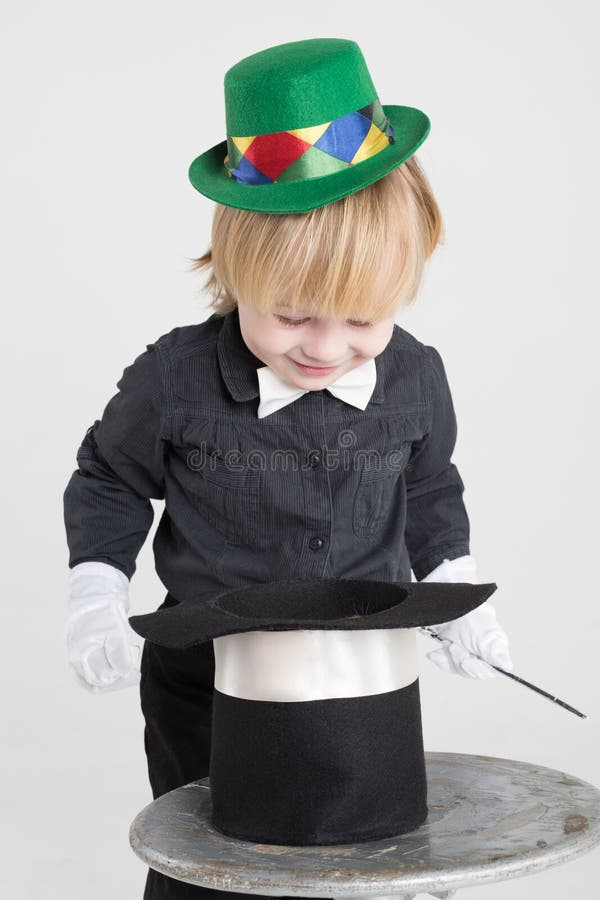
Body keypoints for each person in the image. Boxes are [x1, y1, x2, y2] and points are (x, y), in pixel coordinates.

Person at [62, 37, 513, 900]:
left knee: (372, 859)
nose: (329, 349)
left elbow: (428, 483)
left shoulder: (418, 375)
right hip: (209, 683)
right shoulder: (173, 377)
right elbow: (109, 477)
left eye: (364, 322)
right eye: (296, 317)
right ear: (236, 274)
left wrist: (453, 574)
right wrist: (95, 591)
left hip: (364, 682)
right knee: (215, 865)